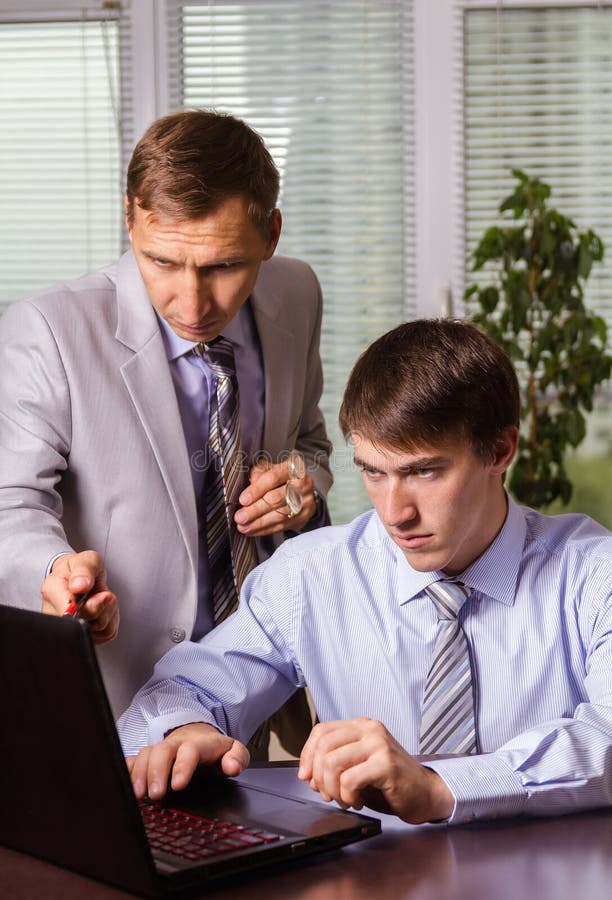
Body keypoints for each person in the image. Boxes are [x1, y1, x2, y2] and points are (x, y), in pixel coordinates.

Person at [117, 318, 612, 825]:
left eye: (423, 471)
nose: (395, 512)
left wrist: (439, 787)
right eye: (374, 472)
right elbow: (183, 691)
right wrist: (183, 732)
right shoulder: (311, 574)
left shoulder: (594, 574)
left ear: (500, 451)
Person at [0, 110, 333, 753]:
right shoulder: (47, 331)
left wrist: (302, 488)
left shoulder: (298, 292)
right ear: (130, 220)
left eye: (223, 266)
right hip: (117, 698)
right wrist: (55, 570)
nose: (192, 303)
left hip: (257, 692)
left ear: (271, 234)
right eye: (162, 261)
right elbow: (10, 503)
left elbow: (311, 444)